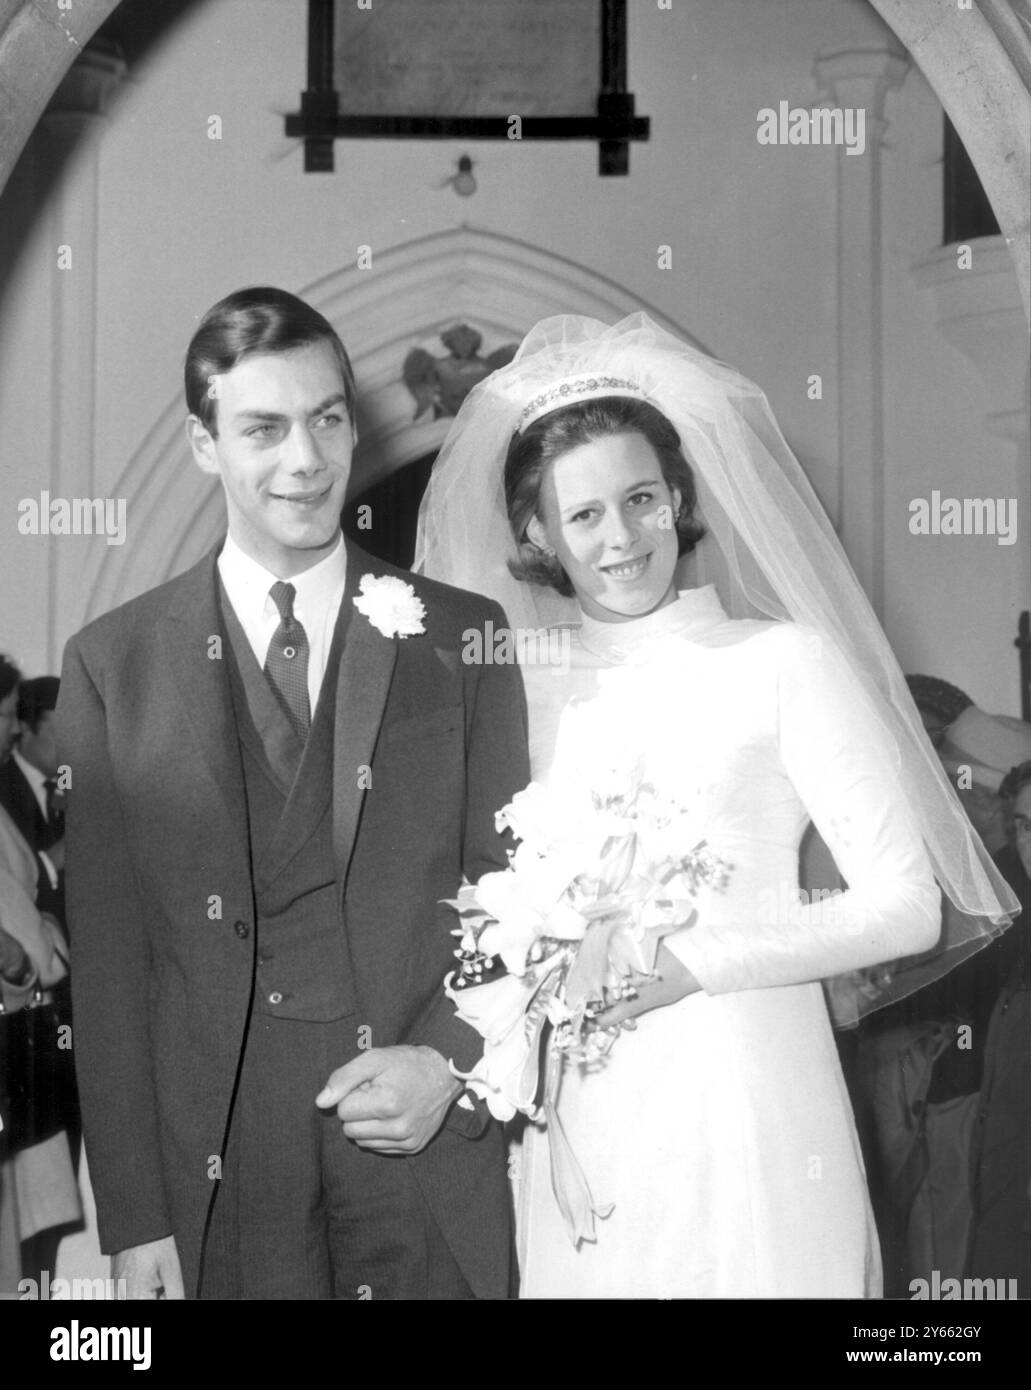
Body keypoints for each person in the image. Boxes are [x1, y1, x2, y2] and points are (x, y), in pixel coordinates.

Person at [415, 312, 1016, 1298]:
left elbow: (905, 901)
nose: (622, 537)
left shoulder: (780, 662)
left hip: (747, 1090)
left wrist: (691, 964)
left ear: (677, 497)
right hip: (584, 1113)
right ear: (534, 535)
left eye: (640, 498)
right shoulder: (511, 686)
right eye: (584, 515)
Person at [58, 287, 529, 1300]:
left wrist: (448, 1062)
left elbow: (513, 888)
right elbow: (107, 965)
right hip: (218, 1164)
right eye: (263, 428)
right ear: (203, 443)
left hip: (418, 1135)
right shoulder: (112, 665)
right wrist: (135, 1216)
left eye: (324, 418)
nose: (305, 460)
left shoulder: (463, 635)